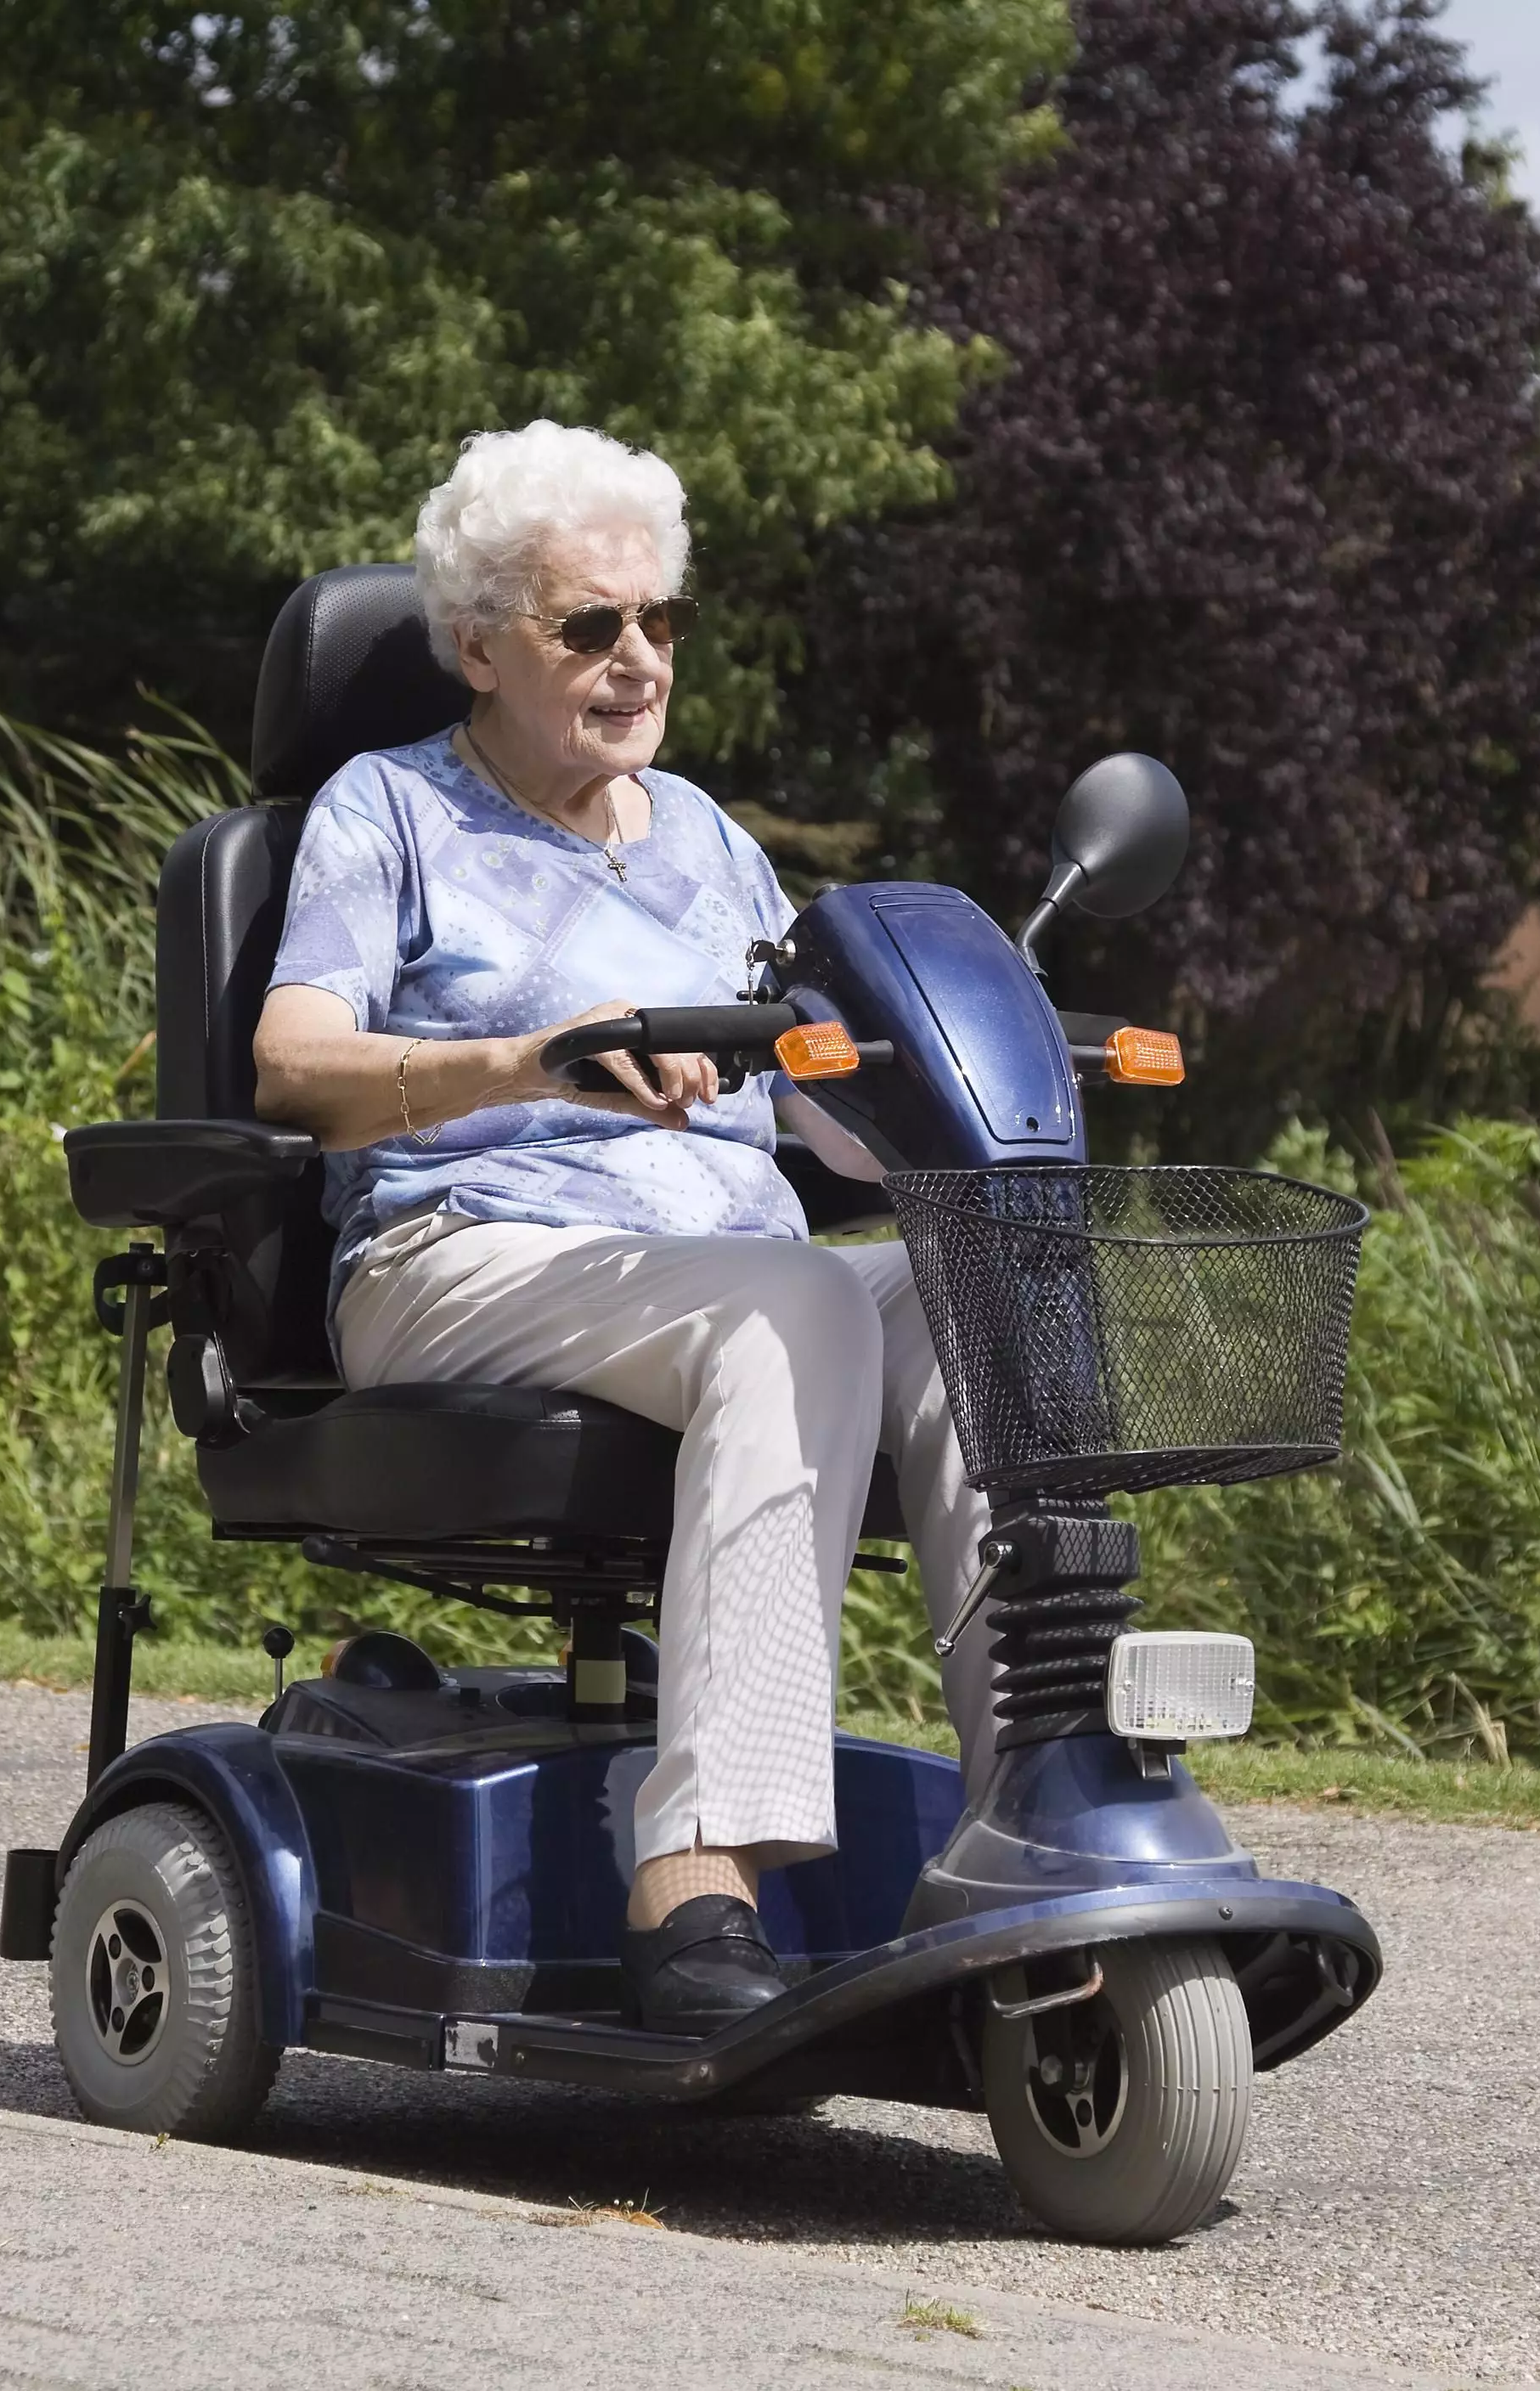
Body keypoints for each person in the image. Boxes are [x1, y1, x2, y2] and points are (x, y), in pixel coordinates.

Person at [250, 420, 994, 2034]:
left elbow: (812, 1111)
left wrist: (930, 1084)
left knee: (965, 1305)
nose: (637, 658)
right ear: (478, 644)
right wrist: (532, 1060)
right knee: (790, 1304)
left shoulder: (710, 838)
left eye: (657, 621)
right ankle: (695, 1870)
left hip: (705, 1274)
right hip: (462, 1251)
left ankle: (1032, 1815)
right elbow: (293, 1067)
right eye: (590, 626)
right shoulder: (389, 813)